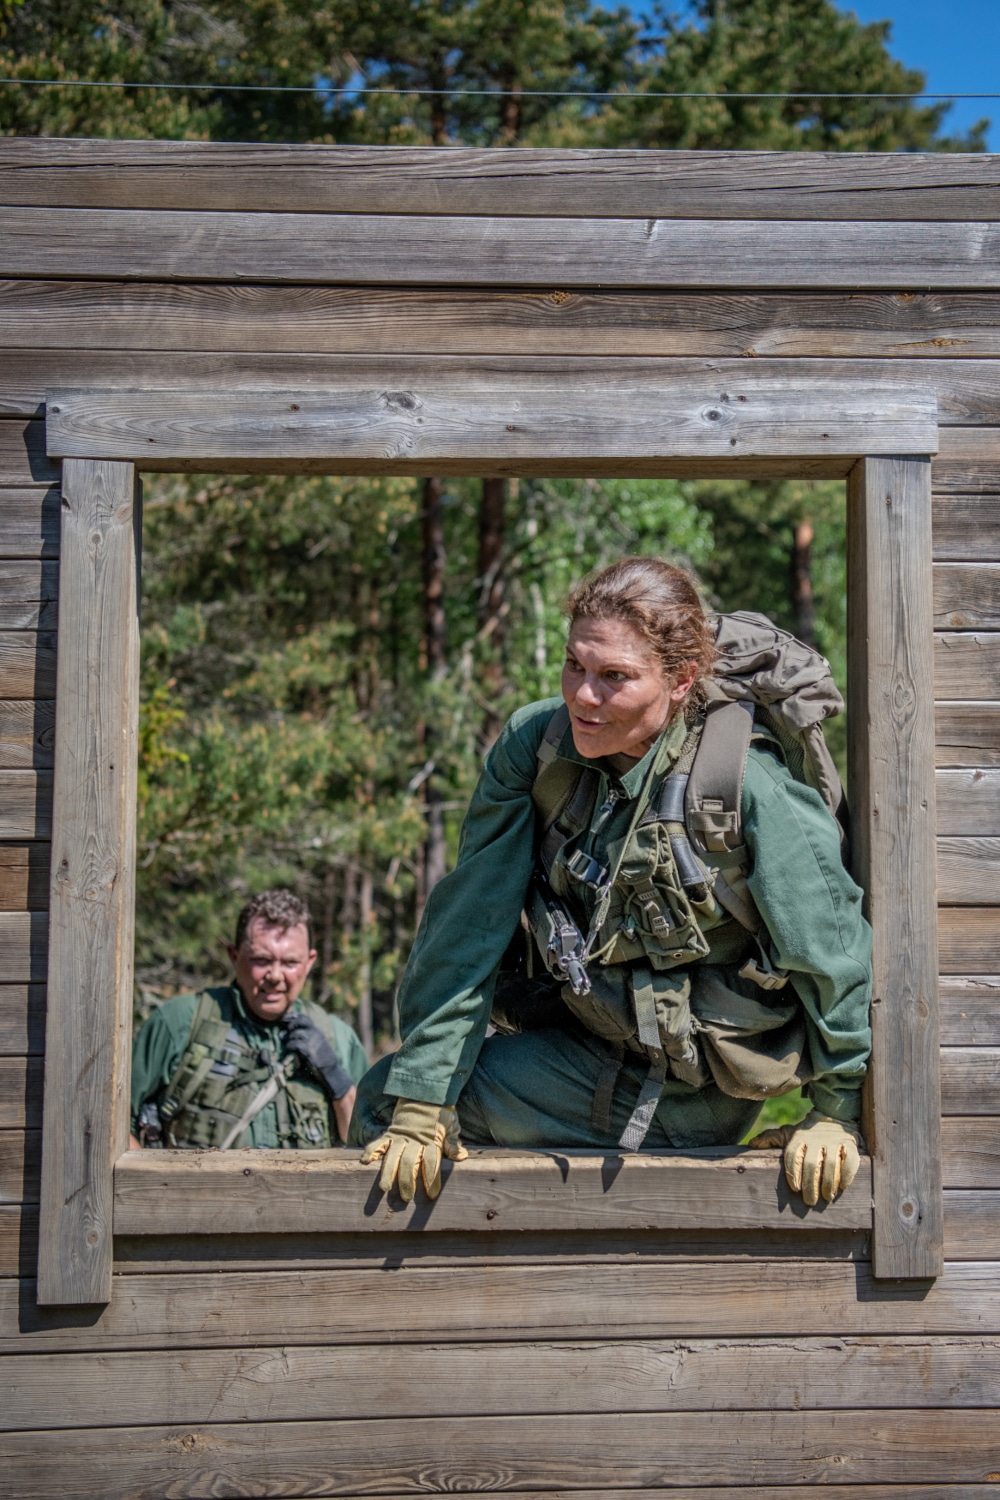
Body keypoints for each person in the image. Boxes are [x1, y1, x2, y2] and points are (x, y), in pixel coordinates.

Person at [351, 559, 873, 1207]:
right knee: (397, 1103)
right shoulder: (535, 747)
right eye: (575, 665)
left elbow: (834, 952)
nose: (583, 696)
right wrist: (424, 1101)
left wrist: (835, 1111)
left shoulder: (744, 785)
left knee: (380, 1105)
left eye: (615, 678)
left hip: (681, 1090)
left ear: (682, 681)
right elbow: (468, 929)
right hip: (585, 1041)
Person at [131, 889, 369, 1149]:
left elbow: (368, 1146)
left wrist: (335, 1077)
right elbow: (115, 1128)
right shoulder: (180, 1022)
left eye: (290, 963)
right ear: (234, 956)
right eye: (262, 960)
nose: (275, 976)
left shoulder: (339, 1039)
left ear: (309, 962)